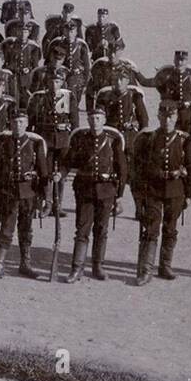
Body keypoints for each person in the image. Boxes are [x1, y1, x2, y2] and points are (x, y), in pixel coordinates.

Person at [63, 107, 127, 282]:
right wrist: (59, 174)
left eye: (98, 118)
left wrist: (119, 195)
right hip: (85, 190)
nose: (95, 121)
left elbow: (122, 170)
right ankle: (77, 268)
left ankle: (98, 266)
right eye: (92, 118)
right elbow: (68, 161)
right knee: (82, 229)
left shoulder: (113, 142)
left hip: (106, 191)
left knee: (101, 229)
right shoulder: (81, 140)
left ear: (104, 120)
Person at [132, 101, 191, 285]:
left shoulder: (184, 139)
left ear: (176, 118)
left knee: (170, 228)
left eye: (171, 117)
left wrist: (189, 193)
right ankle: (146, 269)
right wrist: (139, 194)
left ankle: (165, 265)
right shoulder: (148, 138)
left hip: (175, 191)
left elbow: (190, 166)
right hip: (153, 190)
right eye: (164, 116)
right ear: (158, 116)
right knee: (151, 228)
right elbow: (139, 167)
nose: (167, 120)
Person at [0, 110, 49, 280]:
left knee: (26, 230)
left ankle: (25, 264)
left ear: (27, 123)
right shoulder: (2, 143)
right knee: (6, 229)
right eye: (15, 122)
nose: (18, 125)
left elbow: (43, 173)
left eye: (21, 122)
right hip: (9, 192)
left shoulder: (35, 143)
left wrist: (46, 198)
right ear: (10, 124)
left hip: (29, 192)